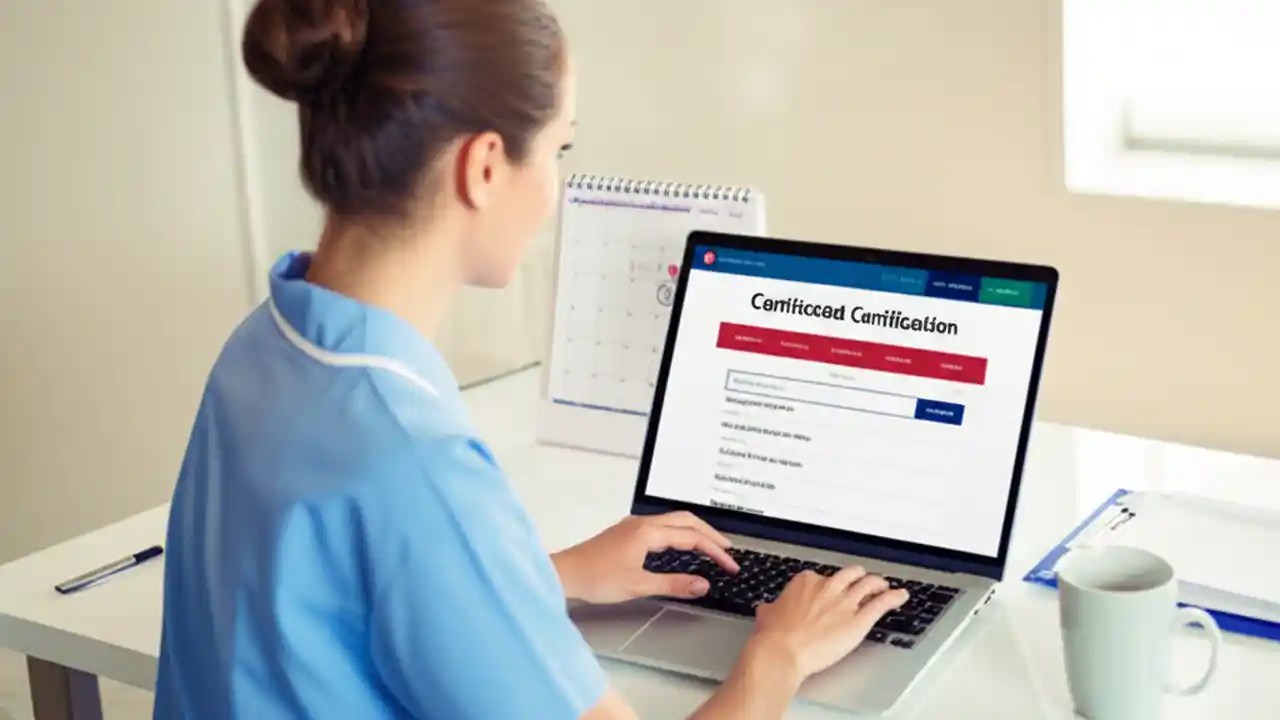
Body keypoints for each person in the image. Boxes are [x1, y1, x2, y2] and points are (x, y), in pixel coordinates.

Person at [153, 0, 908, 718]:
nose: (555, 186)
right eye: (558, 149)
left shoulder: (264, 345)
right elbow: (405, 518)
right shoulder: (418, 464)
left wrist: (539, 578)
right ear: (483, 167)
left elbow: (335, 592)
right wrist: (780, 654)